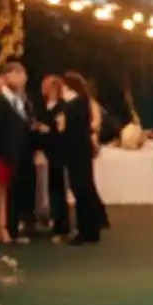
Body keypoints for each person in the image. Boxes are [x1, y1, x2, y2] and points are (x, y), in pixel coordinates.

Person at [0, 62, 34, 244]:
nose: (23, 78)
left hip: (14, 154)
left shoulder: (19, 100)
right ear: (7, 75)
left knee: (7, 192)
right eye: (18, 73)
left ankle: (5, 229)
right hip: (0, 154)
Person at [60, 71, 106, 245]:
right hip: (81, 151)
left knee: (81, 189)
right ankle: (90, 229)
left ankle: (86, 230)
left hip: (76, 152)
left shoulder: (75, 103)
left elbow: (71, 129)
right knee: (85, 188)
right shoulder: (83, 101)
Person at [36, 74, 70, 241]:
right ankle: (52, 219)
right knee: (50, 188)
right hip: (46, 151)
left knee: (58, 188)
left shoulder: (62, 107)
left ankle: (61, 225)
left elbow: (61, 130)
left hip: (58, 152)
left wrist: (48, 130)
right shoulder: (43, 106)